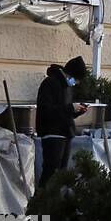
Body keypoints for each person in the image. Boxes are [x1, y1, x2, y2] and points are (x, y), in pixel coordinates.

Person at [35, 56, 89, 185]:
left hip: (65, 133)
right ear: (69, 74)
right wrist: (71, 108)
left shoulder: (67, 87)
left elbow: (64, 112)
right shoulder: (50, 83)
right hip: (52, 133)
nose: (76, 83)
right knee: (51, 171)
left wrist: (77, 111)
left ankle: (55, 201)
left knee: (61, 173)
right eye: (76, 79)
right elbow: (46, 110)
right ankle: (42, 201)